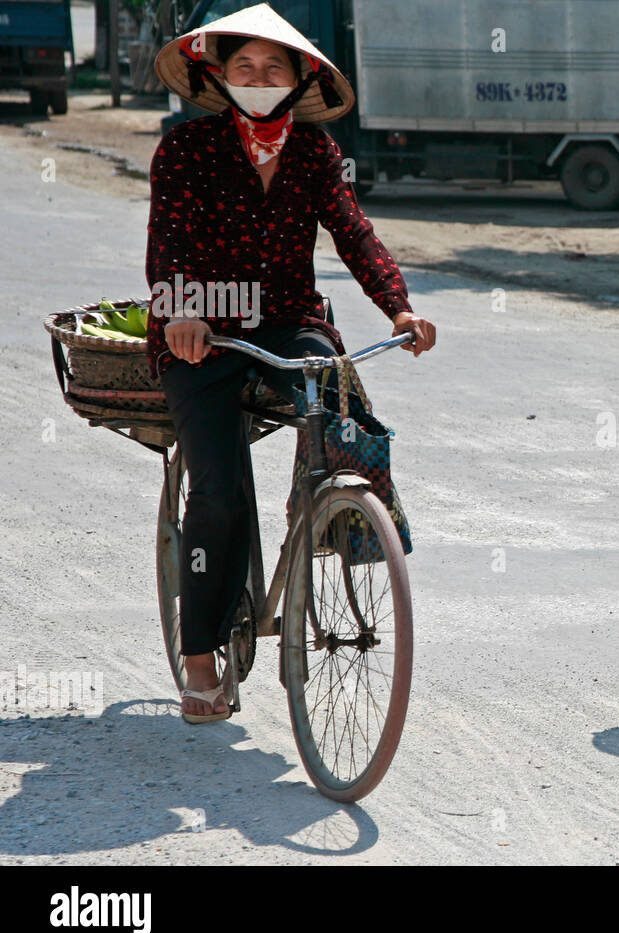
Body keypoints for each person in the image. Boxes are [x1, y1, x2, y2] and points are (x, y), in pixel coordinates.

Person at [147, 4, 436, 722]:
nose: (258, 77)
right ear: (219, 73)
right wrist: (182, 311)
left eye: (273, 67)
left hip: (288, 322)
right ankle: (200, 657)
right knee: (218, 492)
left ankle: (335, 508)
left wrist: (398, 307)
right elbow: (169, 246)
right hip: (200, 330)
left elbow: (354, 234)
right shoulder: (183, 150)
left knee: (342, 408)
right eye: (244, 65)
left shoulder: (314, 152)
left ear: (299, 76)